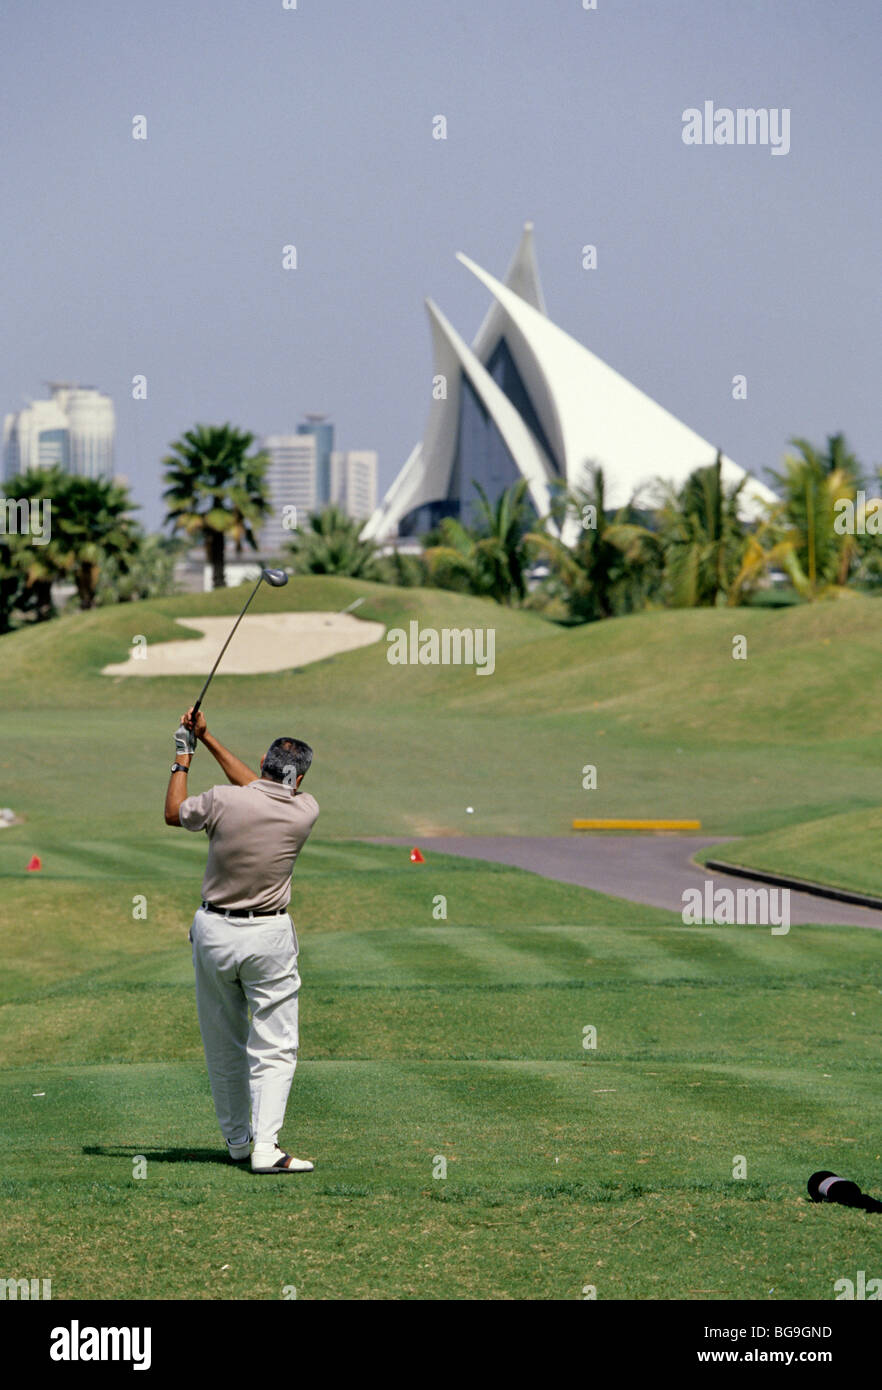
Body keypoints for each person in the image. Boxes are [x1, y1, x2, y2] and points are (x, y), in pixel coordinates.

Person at [164, 707, 319, 1174]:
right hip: (268, 935)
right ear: (298, 779)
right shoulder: (305, 809)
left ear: (264, 763)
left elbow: (174, 813)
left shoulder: (223, 801)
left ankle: (237, 1141)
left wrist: (184, 754)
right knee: (274, 1045)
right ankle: (266, 1148)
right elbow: (262, 790)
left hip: (214, 931)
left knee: (222, 1042)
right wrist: (209, 740)